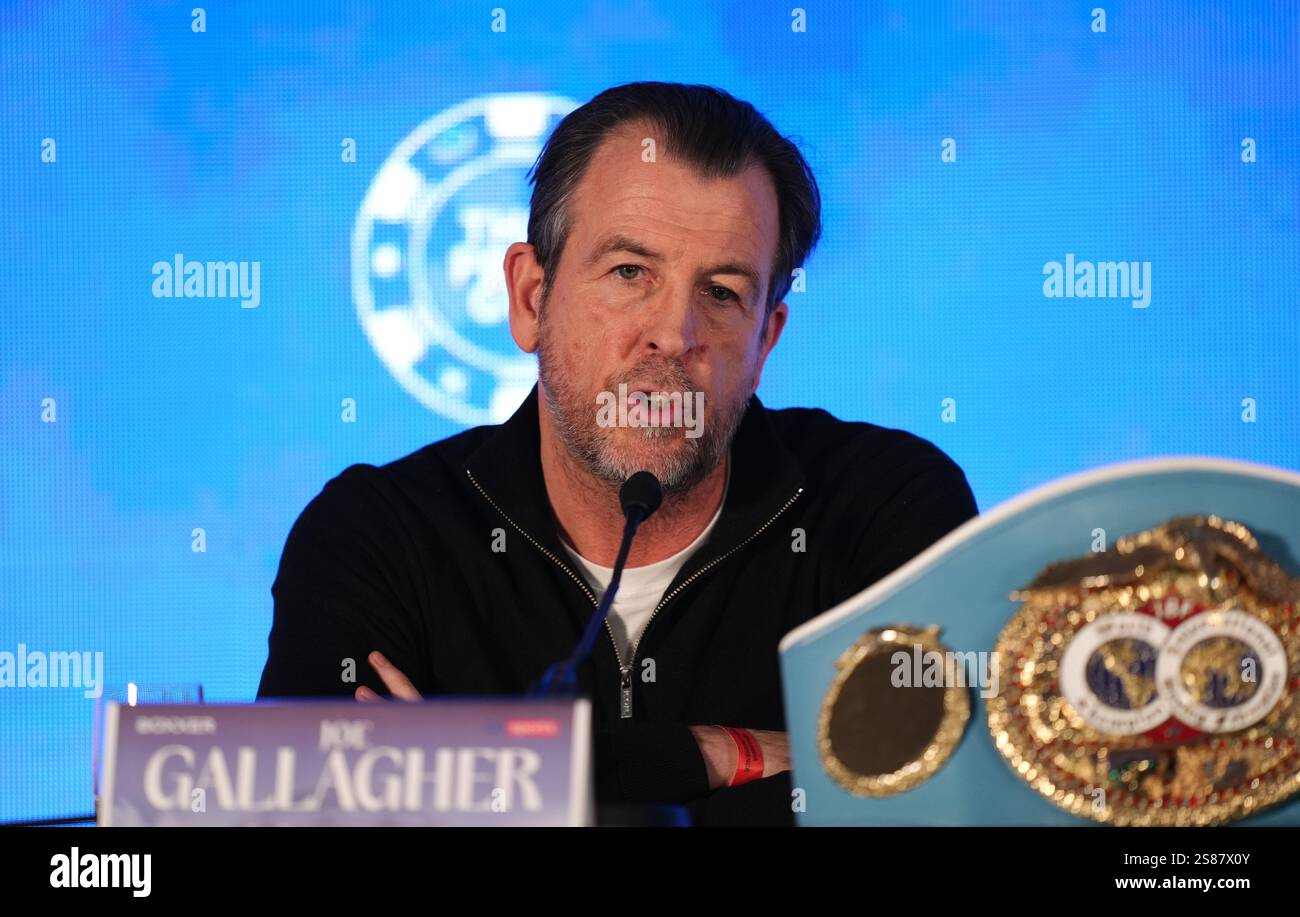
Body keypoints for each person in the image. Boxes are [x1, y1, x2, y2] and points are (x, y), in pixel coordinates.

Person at [256, 81, 978, 826]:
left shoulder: (887, 506)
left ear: (765, 339)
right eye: (631, 273)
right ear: (531, 297)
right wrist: (718, 755)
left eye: (723, 292)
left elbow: (936, 799)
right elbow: (306, 815)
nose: (674, 333)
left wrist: (475, 774)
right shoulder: (377, 535)